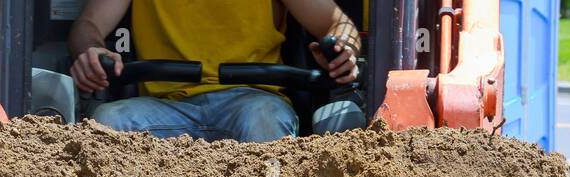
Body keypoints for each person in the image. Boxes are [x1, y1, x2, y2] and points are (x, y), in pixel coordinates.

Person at [69, 0, 362, 142]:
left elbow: (338, 24)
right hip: (167, 105)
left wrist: (344, 49)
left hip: (250, 100)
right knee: (107, 120)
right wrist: (90, 50)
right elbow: (88, 25)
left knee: (264, 118)